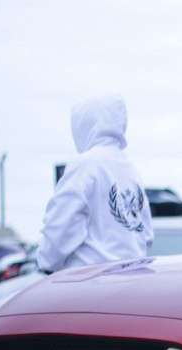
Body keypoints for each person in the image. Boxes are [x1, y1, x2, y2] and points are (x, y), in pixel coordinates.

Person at [38, 94, 153, 273]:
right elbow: (146, 236)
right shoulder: (130, 169)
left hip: (90, 284)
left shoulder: (85, 165)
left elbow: (60, 230)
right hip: (133, 281)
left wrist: (45, 261)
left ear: (85, 124)